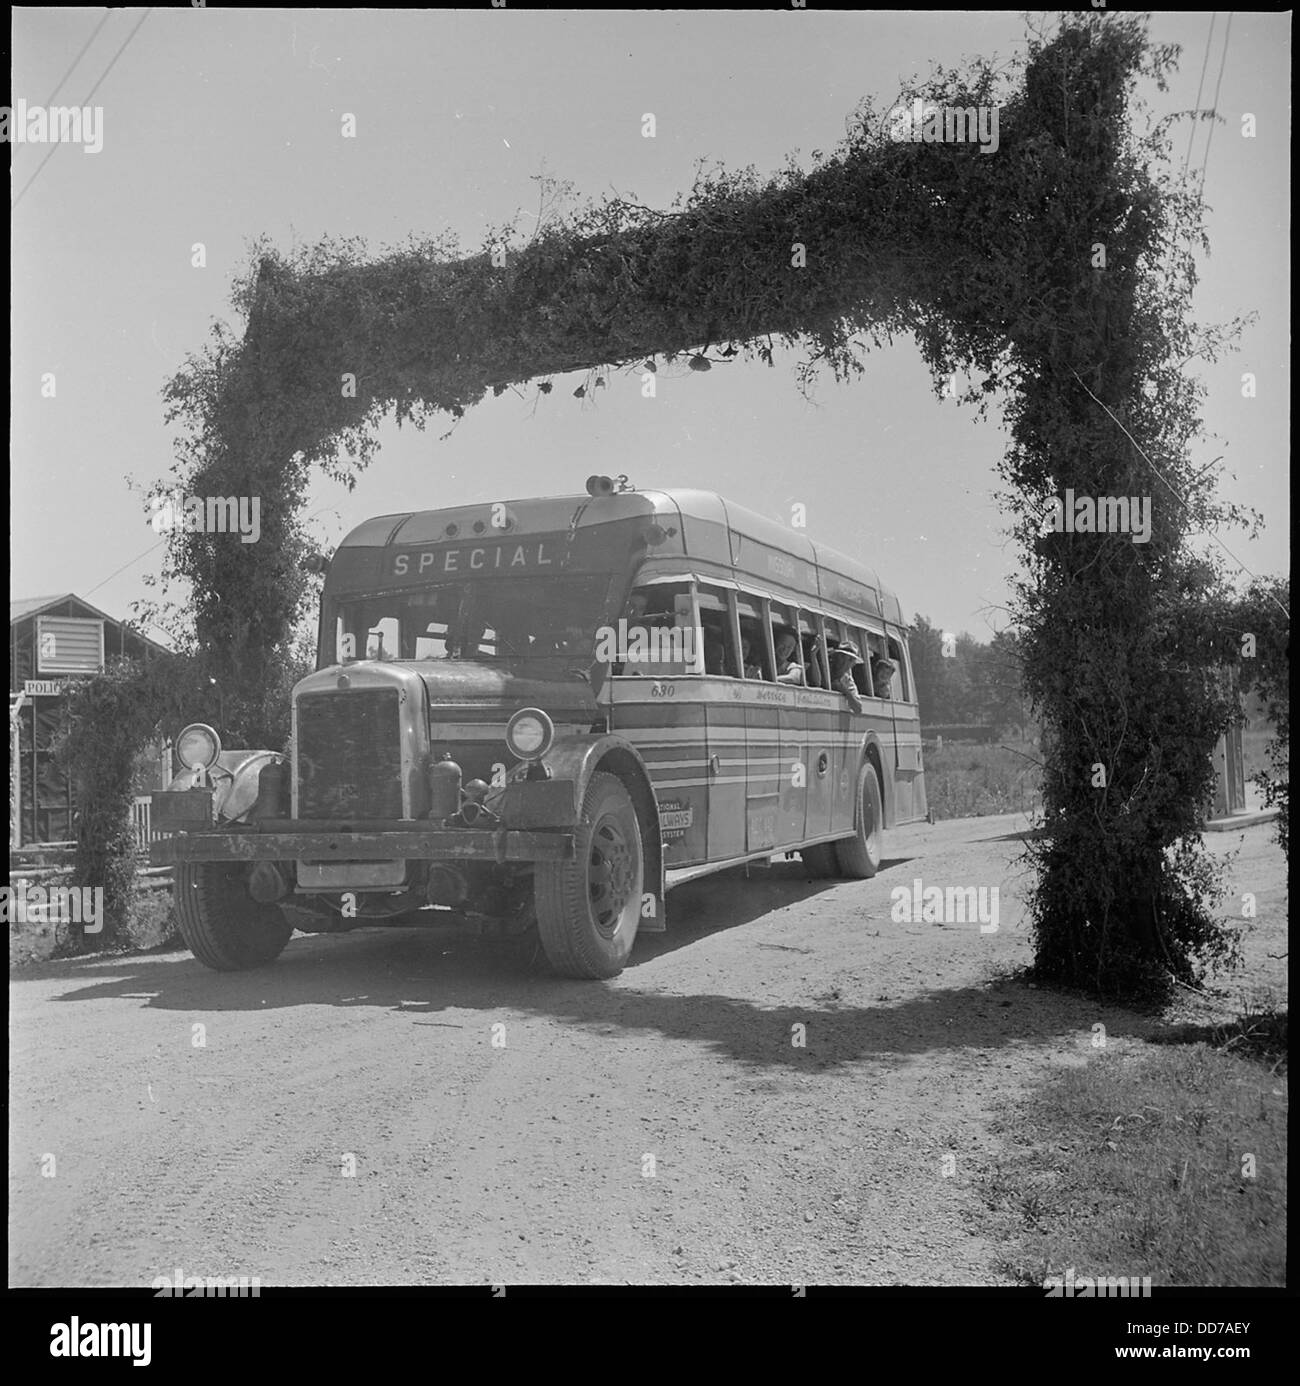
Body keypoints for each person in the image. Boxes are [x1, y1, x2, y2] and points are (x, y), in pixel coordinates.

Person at [829, 640, 865, 713]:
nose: (845, 662)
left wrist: (843, 689)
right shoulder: (825, 668)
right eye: (842, 657)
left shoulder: (847, 680)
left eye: (850, 660)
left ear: (853, 664)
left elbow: (858, 709)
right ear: (836, 657)